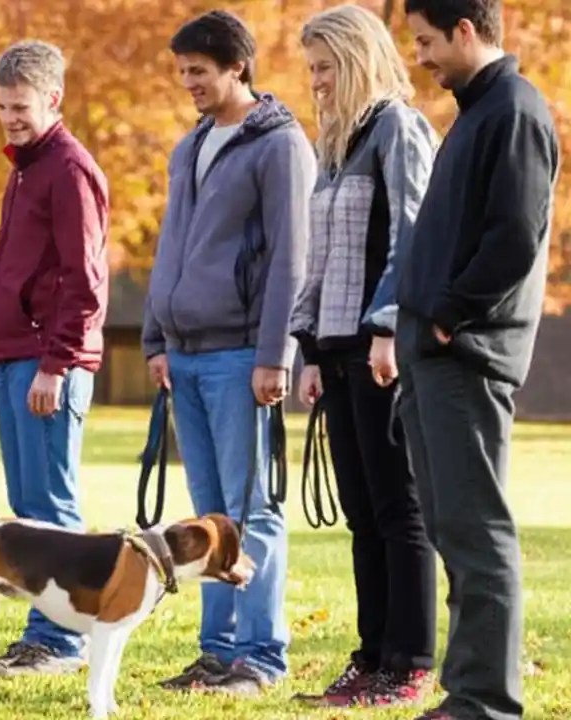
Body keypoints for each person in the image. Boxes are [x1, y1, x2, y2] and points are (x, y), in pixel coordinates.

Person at [141, 9, 315, 695]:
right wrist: (155, 339)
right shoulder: (189, 148)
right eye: (182, 71)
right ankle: (216, 652)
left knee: (251, 512)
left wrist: (276, 354)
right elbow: (170, 246)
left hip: (244, 355)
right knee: (208, 517)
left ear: (237, 66)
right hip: (183, 355)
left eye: (199, 71)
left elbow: (290, 261)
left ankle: (259, 655)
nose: (188, 83)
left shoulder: (280, 146)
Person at [397, 2, 559, 718]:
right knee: (452, 531)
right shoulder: (475, 114)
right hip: (436, 356)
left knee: (477, 530)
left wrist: (447, 317)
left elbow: (514, 237)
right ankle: (466, 691)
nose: (422, 57)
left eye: (428, 41)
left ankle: (485, 701)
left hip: (466, 356)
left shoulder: (514, 112)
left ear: (467, 31)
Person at [287, 3, 441, 707]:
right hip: (339, 352)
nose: (316, 81)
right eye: (311, 68)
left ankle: (408, 663)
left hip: (383, 350)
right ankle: (372, 656)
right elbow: (317, 261)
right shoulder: (336, 144)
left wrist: (386, 329)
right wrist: (309, 347)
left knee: (398, 510)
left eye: (324, 67)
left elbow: (412, 237)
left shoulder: (397, 129)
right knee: (360, 515)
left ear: (355, 60)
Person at [0, 39, 110, 679]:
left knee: (52, 507)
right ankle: (42, 634)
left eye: (20, 106)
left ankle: (60, 641)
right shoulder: (25, 167)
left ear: (53, 98)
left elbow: (84, 281)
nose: (10, 117)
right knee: (27, 508)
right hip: (18, 358)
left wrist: (56, 364)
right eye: (1, 106)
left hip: (52, 363)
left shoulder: (69, 170)